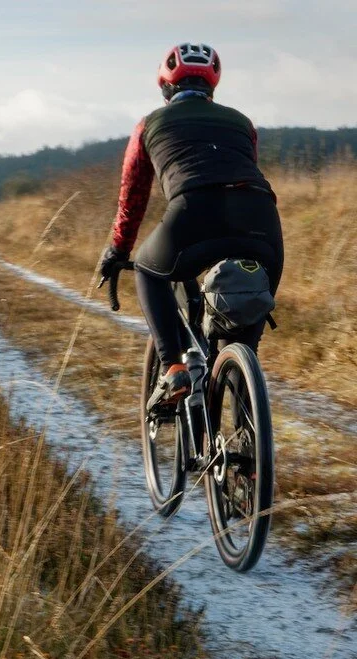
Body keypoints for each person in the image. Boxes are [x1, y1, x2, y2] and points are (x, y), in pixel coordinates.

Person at [96, 43, 284, 409]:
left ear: (165, 86)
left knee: (148, 270)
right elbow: (243, 169)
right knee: (240, 340)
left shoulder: (149, 125)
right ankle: (246, 438)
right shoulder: (242, 123)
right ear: (213, 85)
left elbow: (133, 197)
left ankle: (173, 368)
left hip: (193, 211)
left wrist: (118, 249)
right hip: (262, 220)